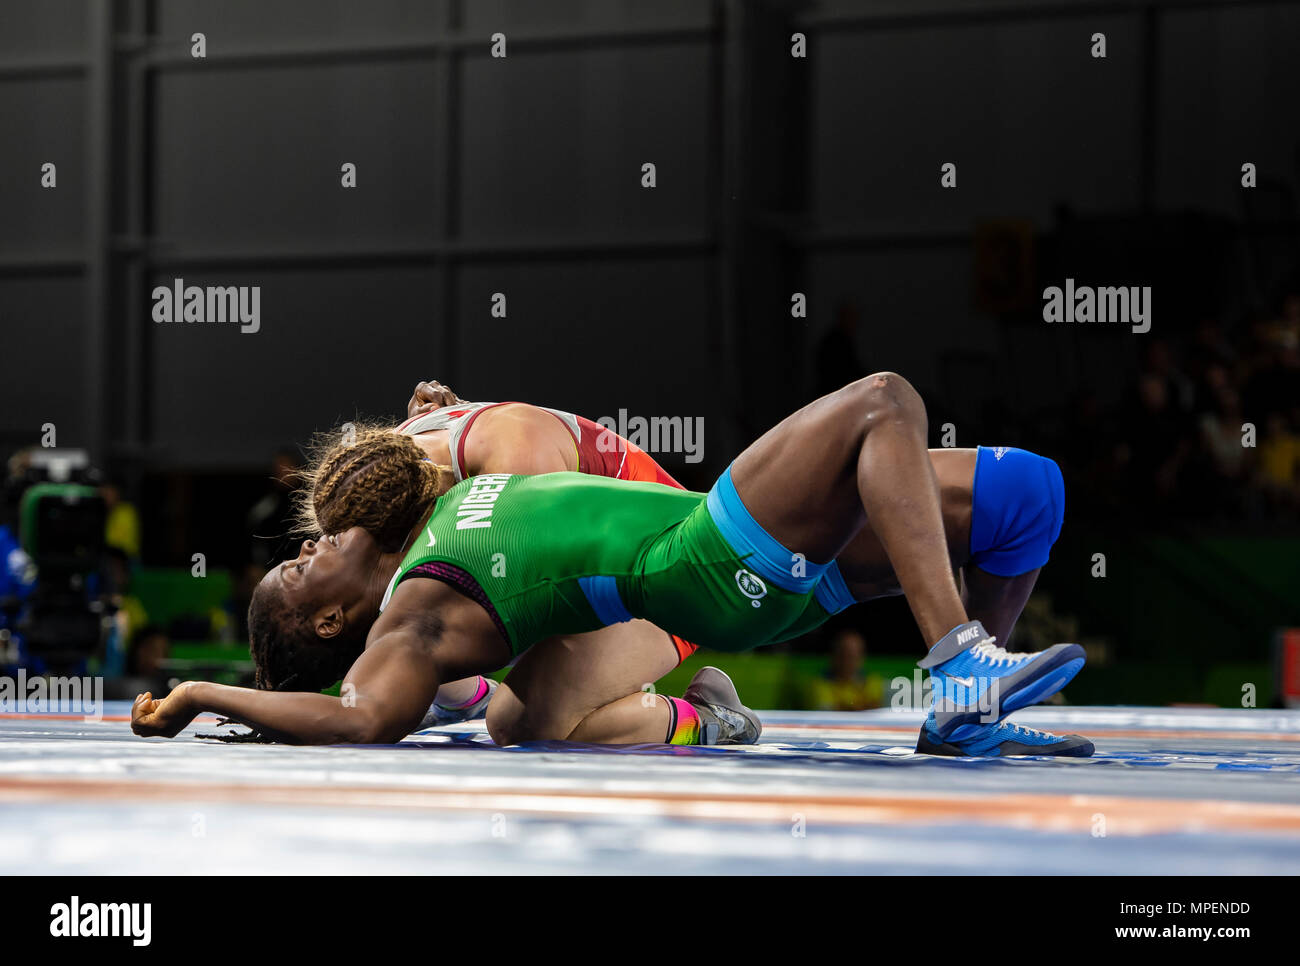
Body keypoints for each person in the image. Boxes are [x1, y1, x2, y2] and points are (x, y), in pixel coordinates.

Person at [134, 373, 1090, 756]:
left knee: (1028, 496)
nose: (310, 543)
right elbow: (361, 714)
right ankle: (960, 664)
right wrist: (205, 695)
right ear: (338, 622)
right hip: (715, 556)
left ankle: (966, 720)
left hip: (740, 564)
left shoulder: (445, 497)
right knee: (882, 401)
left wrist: (429, 424)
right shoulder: (414, 611)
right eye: (301, 568)